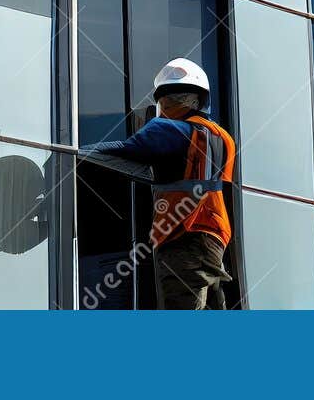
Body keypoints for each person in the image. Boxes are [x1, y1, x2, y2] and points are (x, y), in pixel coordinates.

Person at [79, 58, 236, 309]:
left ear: (194, 101)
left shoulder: (168, 130)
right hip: (215, 235)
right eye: (167, 99)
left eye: (173, 99)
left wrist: (73, 153)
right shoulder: (222, 137)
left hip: (183, 233)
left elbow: (127, 151)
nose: (169, 104)